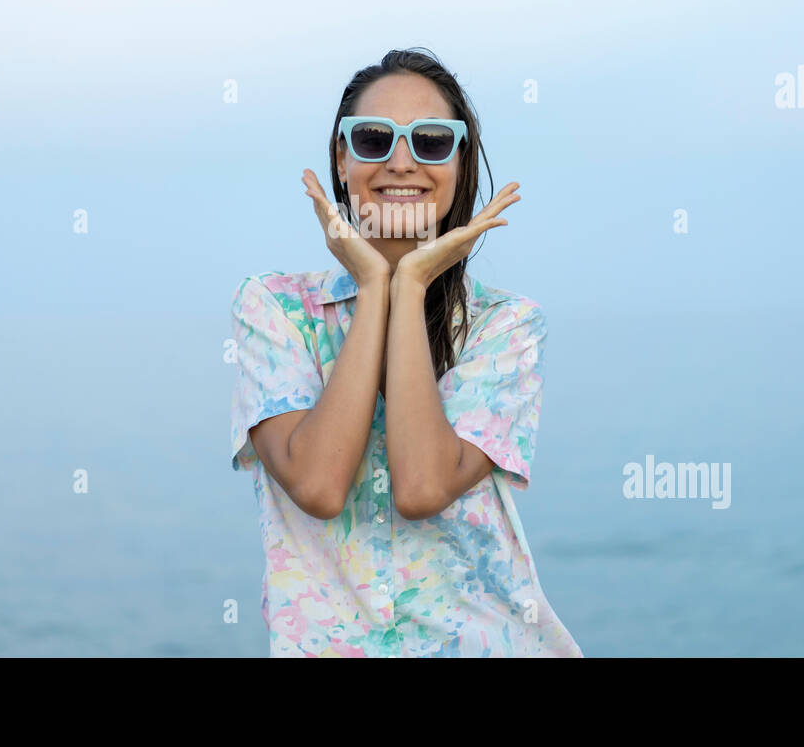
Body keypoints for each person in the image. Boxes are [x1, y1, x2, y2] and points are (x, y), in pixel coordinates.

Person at [229, 47, 583, 657]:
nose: (401, 162)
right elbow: (318, 485)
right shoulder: (274, 309)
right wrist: (374, 287)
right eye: (371, 140)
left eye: (430, 141)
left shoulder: (505, 326)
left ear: (458, 163)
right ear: (342, 160)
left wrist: (411, 282)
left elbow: (421, 488)